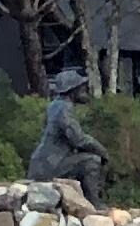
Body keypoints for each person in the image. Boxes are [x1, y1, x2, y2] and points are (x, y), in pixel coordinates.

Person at [26, 64, 111, 194]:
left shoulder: (54, 105)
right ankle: (94, 203)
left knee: (82, 159)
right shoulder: (64, 109)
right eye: (82, 88)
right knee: (92, 161)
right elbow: (79, 139)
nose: (85, 90)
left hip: (41, 164)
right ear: (73, 90)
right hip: (50, 166)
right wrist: (102, 150)